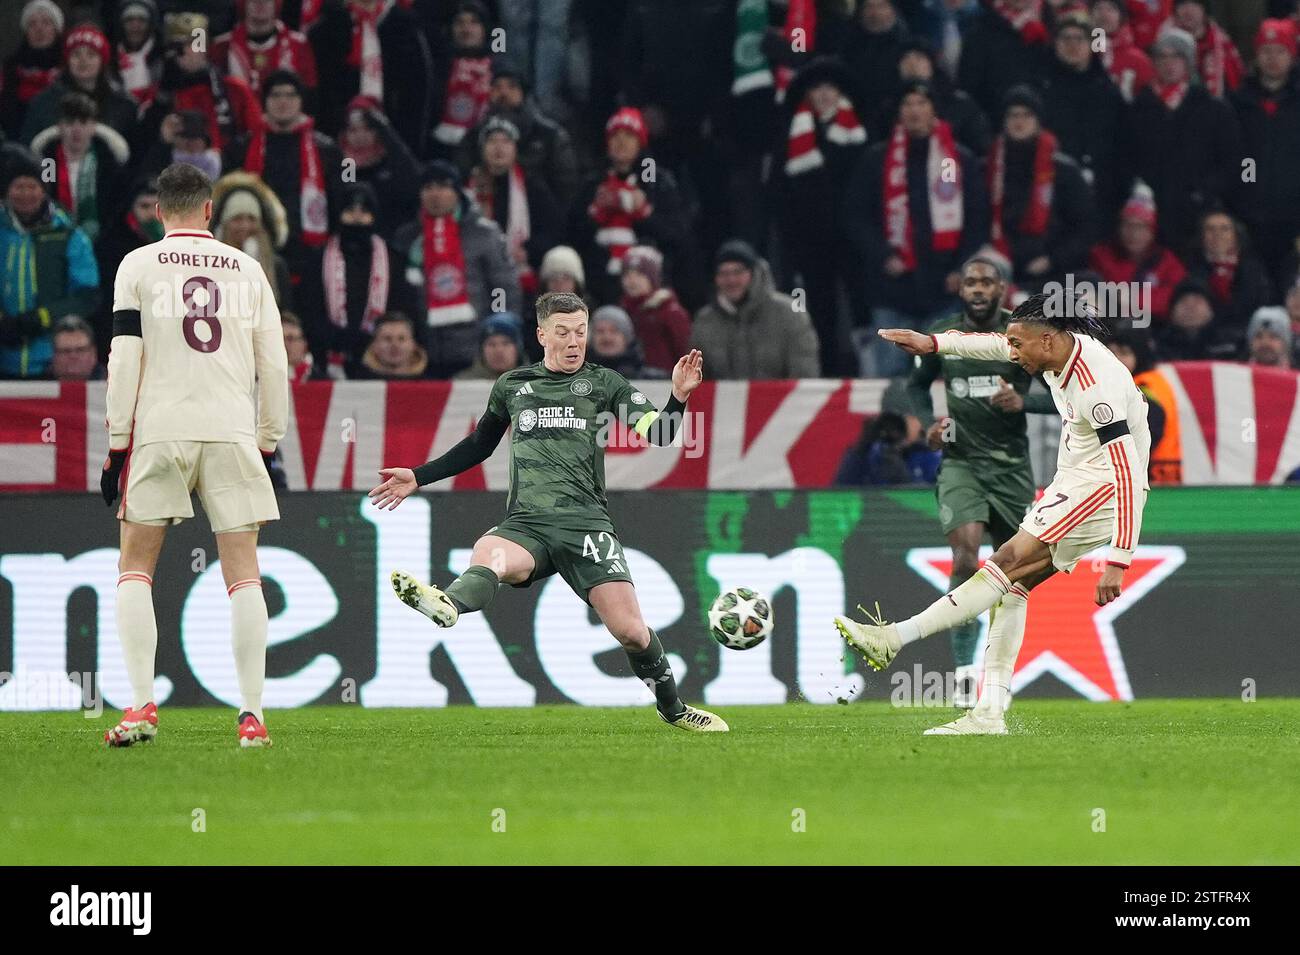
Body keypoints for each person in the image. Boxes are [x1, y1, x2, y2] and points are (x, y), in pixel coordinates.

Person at [369, 290, 729, 734]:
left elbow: (660, 434)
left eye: (581, 331)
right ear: (542, 335)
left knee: (632, 633)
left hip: (587, 526)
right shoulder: (512, 386)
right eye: (563, 332)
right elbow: (480, 445)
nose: (575, 341)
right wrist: (419, 477)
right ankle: (449, 604)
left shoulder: (605, 383)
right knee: (489, 552)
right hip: (528, 524)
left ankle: (673, 709)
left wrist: (677, 396)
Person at [844, 292, 1151, 735]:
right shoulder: (1054, 348)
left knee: (1005, 561)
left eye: (1019, 345)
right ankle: (989, 714)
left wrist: (1120, 561)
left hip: (1101, 486)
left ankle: (893, 638)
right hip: (1078, 478)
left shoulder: (1094, 386)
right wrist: (933, 344)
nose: (1011, 353)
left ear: (1046, 341)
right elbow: (989, 343)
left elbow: (1126, 472)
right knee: (1013, 588)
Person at [100, 162, 288, 748]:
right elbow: (274, 364)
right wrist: (267, 439)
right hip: (231, 430)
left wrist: (115, 443)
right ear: (209, 210)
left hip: (161, 428)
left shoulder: (138, 264)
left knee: (136, 565)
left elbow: (124, 359)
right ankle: (252, 715)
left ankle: (140, 707)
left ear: (159, 211)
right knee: (243, 571)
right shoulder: (249, 269)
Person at [905, 256, 1053, 706]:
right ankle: (966, 673)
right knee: (965, 556)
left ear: (1003, 289)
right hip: (961, 461)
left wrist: (1023, 403)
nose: (978, 288)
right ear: (961, 289)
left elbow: (1064, 393)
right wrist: (929, 423)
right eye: (970, 281)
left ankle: (997, 679)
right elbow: (913, 385)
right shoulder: (945, 335)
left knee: (1012, 576)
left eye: (987, 281)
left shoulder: (1023, 334)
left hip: (1010, 467)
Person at [846, 81, 990, 377]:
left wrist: (962, 267)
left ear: (934, 110)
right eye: (907, 104)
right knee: (892, 383)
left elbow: (979, 218)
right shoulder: (877, 159)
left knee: (947, 382)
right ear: (899, 113)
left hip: (945, 291)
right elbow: (855, 215)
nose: (914, 111)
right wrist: (884, 255)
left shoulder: (958, 159)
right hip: (891, 291)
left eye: (921, 103)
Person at [392, 160, 522, 378]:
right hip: (424, 351)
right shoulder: (408, 237)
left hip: (475, 350)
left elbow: (504, 286)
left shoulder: (484, 233)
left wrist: (499, 329)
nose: (435, 194)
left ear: (457, 192)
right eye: (428, 188)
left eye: (443, 186)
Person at [1126, 27, 1242, 255]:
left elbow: (1235, 161)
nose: (1169, 63)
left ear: (1188, 62)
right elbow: (1124, 158)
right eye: (1162, 56)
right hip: (1149, 218)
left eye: (1177, 56)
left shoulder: (1213, 108)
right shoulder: (1137, 109)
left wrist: (1204, 194)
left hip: (1197, 220)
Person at [0, 152, 100, 379]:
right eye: (19, 186)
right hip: (4, 359)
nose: (25, 194)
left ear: (43, 190)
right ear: (7, 190)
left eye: (32, 186)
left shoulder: (68, 233)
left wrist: (43, 317)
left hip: (52, 362)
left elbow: (87, 296)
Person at [986, 84, 1094, 288]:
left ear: (1038, 121)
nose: (1019, 121)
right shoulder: (989, 167)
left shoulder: (1063, 170)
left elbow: (1085, 228)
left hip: (1053, 272)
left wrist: (1052, 260)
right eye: (1013, 115)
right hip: (999, 270)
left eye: (1027, 115)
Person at [307, 0, 434, 157]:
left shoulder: (405, 28)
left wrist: (406, 150)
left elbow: (418, 97)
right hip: (338, 146)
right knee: (348, 178)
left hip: (392, 147)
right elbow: (318, 94)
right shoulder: (326, 29)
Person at [1231, 18, 1300, 287]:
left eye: (1280, 51)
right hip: (1250, 218)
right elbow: (1233, 158)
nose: (1273, 58)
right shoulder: (1238, 102)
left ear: (1292, 56)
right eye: (1266, 51)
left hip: (1293, 217)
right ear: (1256, 55)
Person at [690, 240, 821, 379]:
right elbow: (694, 378)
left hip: (779, 399)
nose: (731, 280)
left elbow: (804, 375)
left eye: (738, 272)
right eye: (723, 273)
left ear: (754, 274)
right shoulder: (705, 320)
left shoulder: (790, 314)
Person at [19, 24, 140, 148]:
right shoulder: (43, 103)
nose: (83, 61)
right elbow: (26, 151)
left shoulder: (125, 105)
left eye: (91, 54)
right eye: (76, 54)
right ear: (67, 60)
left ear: (102, 61)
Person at [1088, 183, 1188, 324]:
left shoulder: (1167, 261)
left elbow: (1177, 297)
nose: (1133, 233)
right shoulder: (1101, 256)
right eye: (1128, 225)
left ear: (1152, 231)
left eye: (1141, 227)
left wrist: (1131, 299)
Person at [319, 182, 392, 375]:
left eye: (364, 211)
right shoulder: (320, 257)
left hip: (380, 353)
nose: (357, 217)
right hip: (330, 351)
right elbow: (311, 304)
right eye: (350, 210)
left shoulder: (391, 258)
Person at [1107, 328, 1180, 483]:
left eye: (1124, 353)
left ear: (1139, 355)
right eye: (1111, 353)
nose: (1116, 359)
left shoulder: (1142, 390)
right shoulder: (1155, 381)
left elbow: (1146, 439)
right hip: (1164, 476)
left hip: (1153, 479)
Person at [211, 0, 318, 101]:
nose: (261, 4)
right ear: (243, 4)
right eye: (254, 0)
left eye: (267, 0)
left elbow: (309, 90)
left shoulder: (298, 44)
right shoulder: (222, 46)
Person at [619, 244, 691, 377]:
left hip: (664, 384)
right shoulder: (621, 313)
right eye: (627, 275)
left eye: (639, 275)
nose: (632, 280)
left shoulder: (670, 312)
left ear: (653, 278)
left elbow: (684, 352)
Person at [0, 0, 64, 140]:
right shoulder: (11, 68)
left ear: (56, 29)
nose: (39, 29)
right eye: (32, 24)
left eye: (46, 23)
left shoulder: (68, 67)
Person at [834, 411, 941, 486]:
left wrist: (901, 477)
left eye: (910, 417)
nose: (898, 428)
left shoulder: (930, 454)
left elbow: (933, 504)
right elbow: (841, 493)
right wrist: (861, 449)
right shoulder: (869, 452)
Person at [588, 304, 664, 379]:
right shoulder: (581, 377)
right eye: (600, 331)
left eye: (614, 331)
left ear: (627, 337)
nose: (607, 337)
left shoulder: (651, 380)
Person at [353, 311, 430, 380]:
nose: (395, 345)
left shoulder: (431, 386)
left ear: (413, 345)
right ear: (374, 346)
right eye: (387, 339)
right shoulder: (358, 385)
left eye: (401, 339)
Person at [455, 312, 525, 380]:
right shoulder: (463, 383)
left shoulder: (532, 381)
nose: (498, 350)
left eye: (506, 343)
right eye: (491, 344)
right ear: (482, 349)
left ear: (518, 348)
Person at [49, 315, 105, 380]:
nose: (73, 356)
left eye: (80, 350)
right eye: (65, 351)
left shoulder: (113, 385)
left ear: (93, 354)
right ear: (53, 355)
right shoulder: (36, 386)